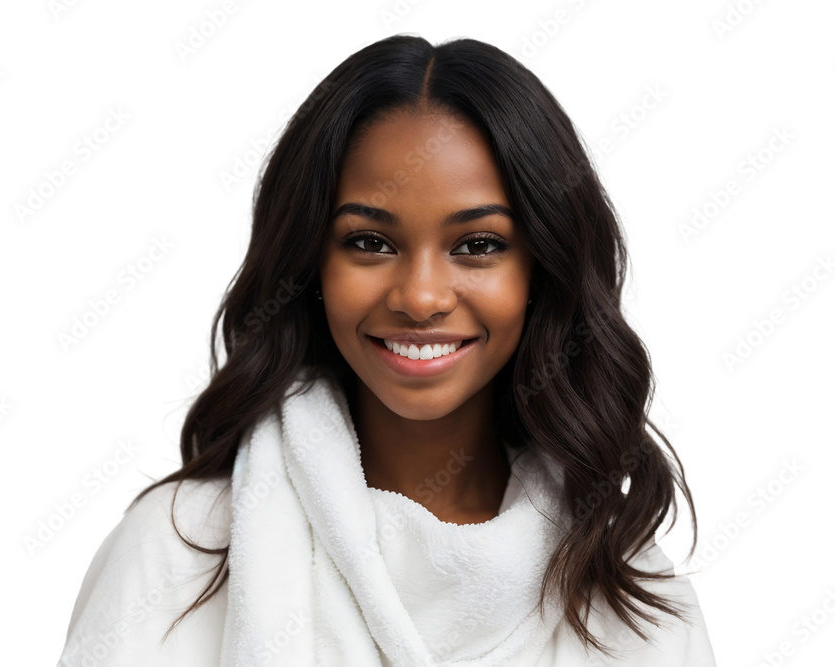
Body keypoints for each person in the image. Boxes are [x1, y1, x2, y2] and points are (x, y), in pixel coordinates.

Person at [57, 34, 717, 666]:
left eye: (478, 245)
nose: (421, 295)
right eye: (370, 242)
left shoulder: (635, 597)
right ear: (310, 265)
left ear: (541, 271)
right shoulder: (180, 549)